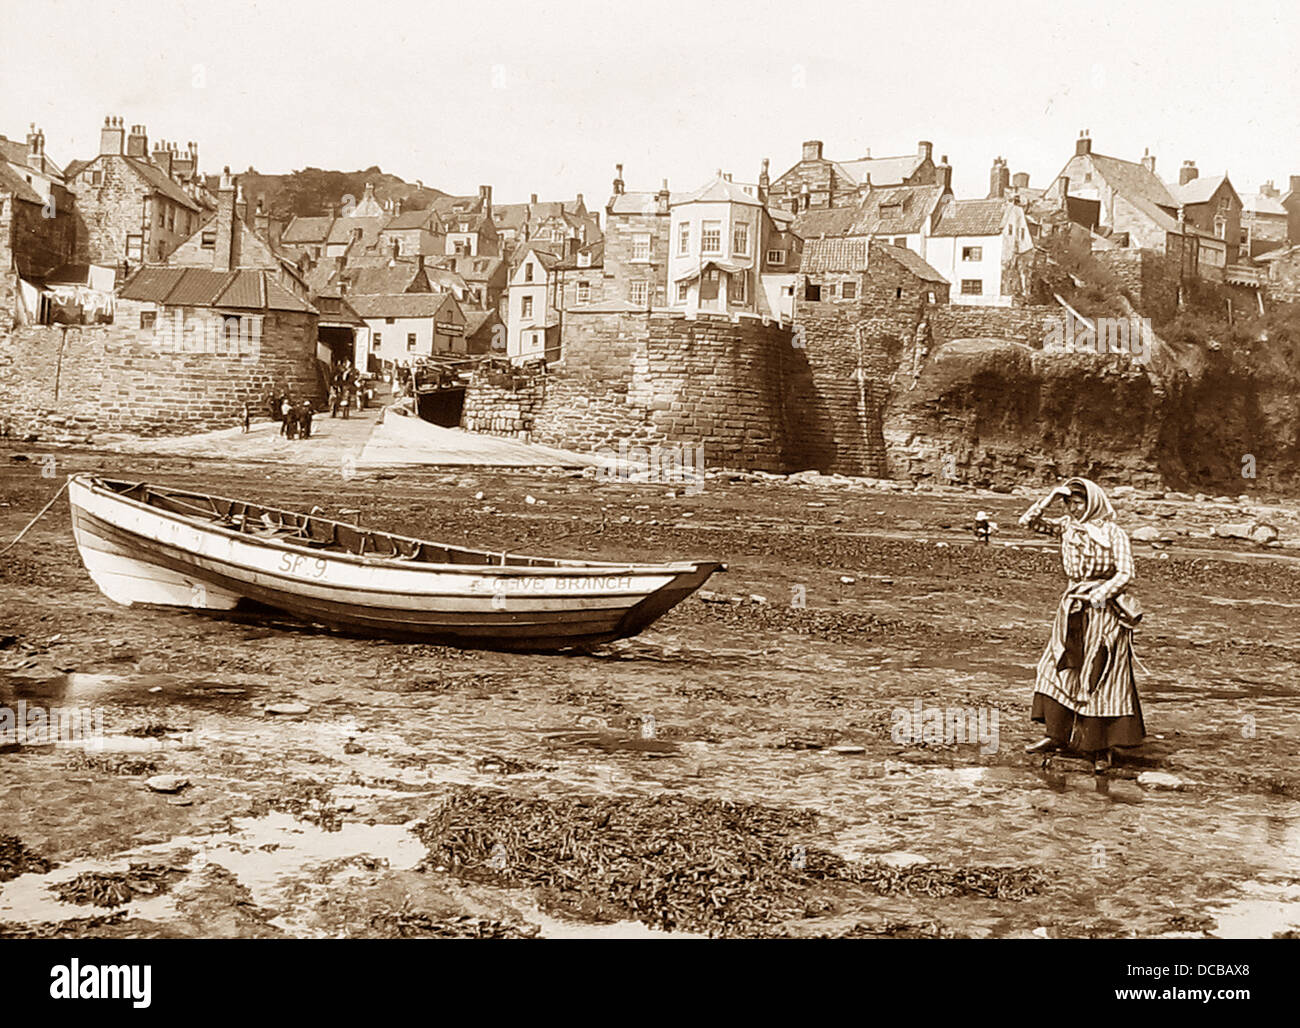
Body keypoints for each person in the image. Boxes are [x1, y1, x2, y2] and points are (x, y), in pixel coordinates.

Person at [1019, 478, 1145, 773]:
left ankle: (1101, 748)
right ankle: (1057, 735)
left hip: (1103, 611)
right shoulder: (1066, 527)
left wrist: (1101, 593)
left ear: (1094, 503)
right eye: (1069, 503)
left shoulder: (1114, 533)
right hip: (1072, 606)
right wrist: (1051, 496)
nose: (1073, 509)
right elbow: (1028, 522)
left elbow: (1126, 573)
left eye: (1078, 503)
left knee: (1099, 673)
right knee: (1059, 665)